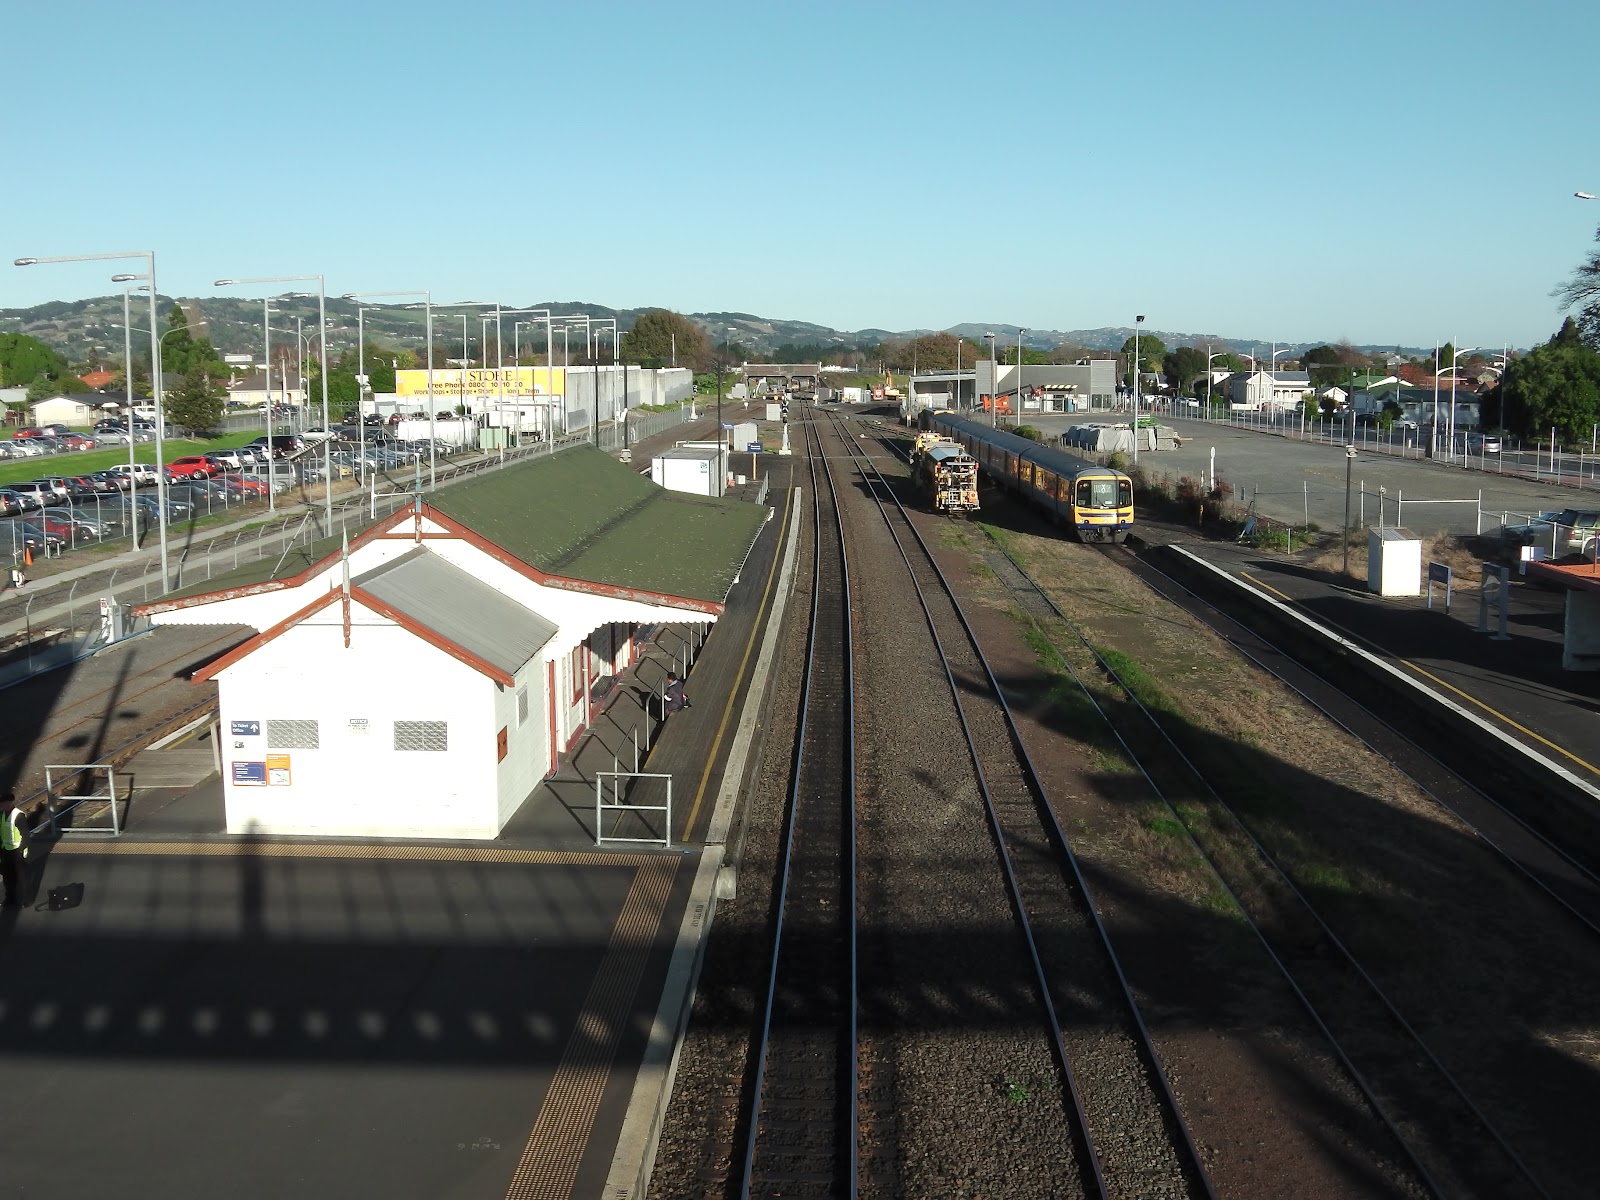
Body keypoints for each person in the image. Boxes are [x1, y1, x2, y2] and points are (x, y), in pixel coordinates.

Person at [1, 791, 30, 907]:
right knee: (7, 878)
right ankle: (10, 900)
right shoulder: (2, 814)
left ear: (8, 802)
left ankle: (26, 900)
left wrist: (20, 850)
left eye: (1, 803)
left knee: (22, 877)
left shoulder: (18, 816)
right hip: (5, 850)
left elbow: (26, 836)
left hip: (17, 851)